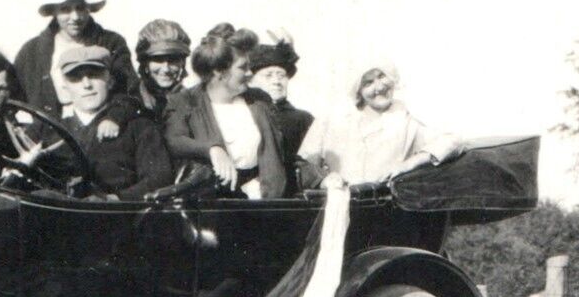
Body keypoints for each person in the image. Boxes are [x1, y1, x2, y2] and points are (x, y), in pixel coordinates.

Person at [164, 34, 286, 198]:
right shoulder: (185, 101)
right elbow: (173, 140)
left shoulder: (259, 101)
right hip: (210, 204)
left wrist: (320, 178)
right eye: (243, 67)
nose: (250, 73)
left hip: (261, 199)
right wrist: (212, 149)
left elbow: (280, 153)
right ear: (219, 72)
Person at [299, 64, 459, 188]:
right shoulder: (331, 119)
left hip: (386, 209)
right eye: (368, 82)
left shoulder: (406, 117)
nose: (379, 87)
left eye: (382, 76)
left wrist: (409, 164)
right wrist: (324, 180)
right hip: (338, 206)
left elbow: (452, 141)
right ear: (358, 90)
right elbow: (305, 164)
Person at [54, 44, 172, 201]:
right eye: (75, 78)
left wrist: (115, 199)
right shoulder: (50, 129)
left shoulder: (139, 126)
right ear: (65, 87)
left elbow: (159, 178)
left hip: (117, 217)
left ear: (110, 81)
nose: (87, 85)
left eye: (94, 75)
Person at [13, 0, 135, 119]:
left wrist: (114, 118)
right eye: (65, 9)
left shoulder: (111, 42)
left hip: (102, 129)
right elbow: (16, 97)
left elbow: (128, 89)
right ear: (54, 11)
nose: (75, 17)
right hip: (49, 133)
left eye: (80, 8)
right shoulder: (31, 51)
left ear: (88, 9)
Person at [249, 36, 313, 194]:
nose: (277, 81)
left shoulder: (303, 119)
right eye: (269, 75)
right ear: (251, 81)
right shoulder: (242, 114)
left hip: (294, 196)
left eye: (281, 75)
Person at [134, 18, 192, 126]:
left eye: (173, 60)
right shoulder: (129, 101)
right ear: (145, 63)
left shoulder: (193, 103)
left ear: (182, 63)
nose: (166, 69)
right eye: (158, 60)